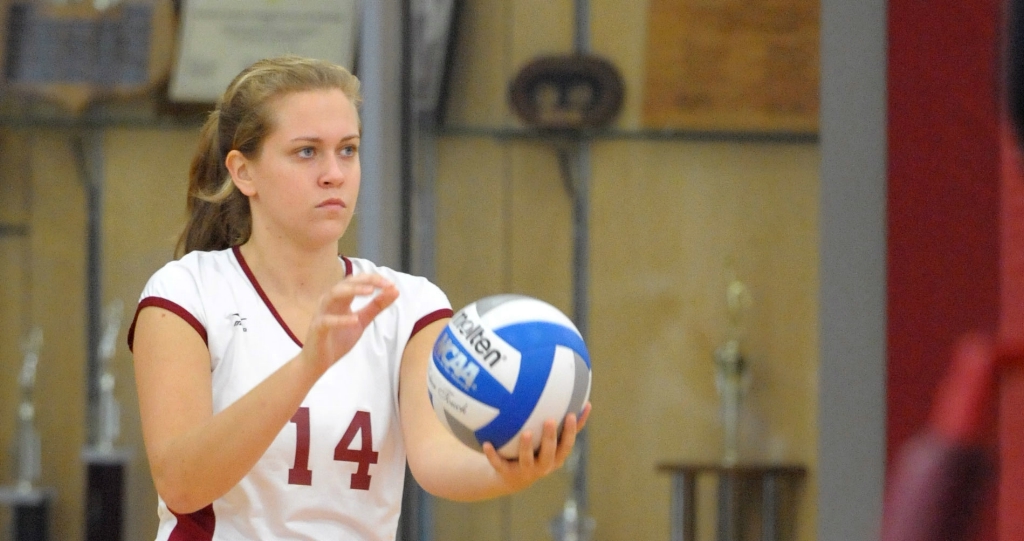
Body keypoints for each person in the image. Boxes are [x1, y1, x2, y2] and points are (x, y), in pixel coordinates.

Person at [127, 55, 590, 540]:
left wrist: (509, 471)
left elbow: (434, 461)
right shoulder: (185, 292)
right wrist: (309, 364)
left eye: (348, 150)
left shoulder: (408, 304)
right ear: (244, 173)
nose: (334, 174)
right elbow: (181, 484)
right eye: (306, 152)